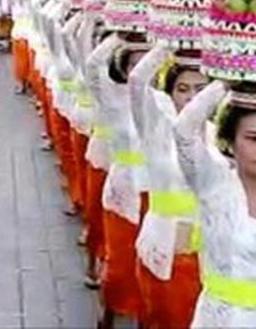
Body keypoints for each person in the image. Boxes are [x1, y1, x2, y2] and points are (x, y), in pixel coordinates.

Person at [174, 80, 256, 328]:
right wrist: (224, 82)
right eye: (253, 138)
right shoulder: (214, 188)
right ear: (230, 142)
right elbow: (183, 130)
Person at [129, 45, 208, 329]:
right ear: (169, 93)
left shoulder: (223, 140)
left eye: (201, 90)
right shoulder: (156, 131)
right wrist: (170, 42)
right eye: (183, 89)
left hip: (211, 257)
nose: (192, 99)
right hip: (166, 249)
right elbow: (138, 81)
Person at [87, 33, 149, 327]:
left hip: (152, 195)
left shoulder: (161, 105)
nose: (140, 73)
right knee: (119, 265)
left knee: (146, 269)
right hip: (123, 189)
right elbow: (92, 64)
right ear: (123, 68)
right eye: (135, 65)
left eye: (146, 66)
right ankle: (106, 314)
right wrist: (117, 36)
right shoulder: (111, 98)